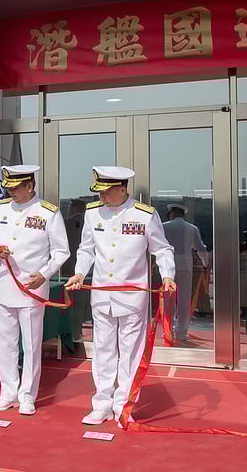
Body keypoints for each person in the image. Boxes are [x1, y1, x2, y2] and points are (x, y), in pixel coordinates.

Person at [65, 166, 176, 427]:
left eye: (106, 192)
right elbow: (86, 249)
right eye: (99, 192)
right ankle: (101, 404)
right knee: (102, 352)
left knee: (129, 354)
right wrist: (80, 272)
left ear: (122, 189)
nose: (101, 197)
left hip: (131, 297)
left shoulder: (144, 215)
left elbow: (162, 249)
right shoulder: (93, 214)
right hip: (102, 296)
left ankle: (124, 405)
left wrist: (168, 275)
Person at [0, 165, 69, 416]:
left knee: (31, 346)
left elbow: (62, 251)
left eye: (16, 188)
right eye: (8, 188)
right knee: (5, 344)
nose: (11, 193)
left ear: (30, 186)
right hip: (4, 286)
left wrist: (44, 274)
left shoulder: (49, 212)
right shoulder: (1, 209)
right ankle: (7, 392)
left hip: (32, 287)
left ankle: (28, 395)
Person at [162, 204, 208, 343]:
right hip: (185, 266)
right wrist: (206, 263)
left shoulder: (164, 226)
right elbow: (200, 248)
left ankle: (167, 331)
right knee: (184, 301)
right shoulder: (192, 228)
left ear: (172, 213)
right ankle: (181, 333)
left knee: (167, 300)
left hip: (167, 265)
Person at [63, 199, 91, 341]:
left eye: (70, 208)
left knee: (73, 307)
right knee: (79, 308)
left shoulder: (67, 224)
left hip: (71, 271)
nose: (68, 211)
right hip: (81, 272)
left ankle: (73, 334)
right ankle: (76, 332)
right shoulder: (85, 222)